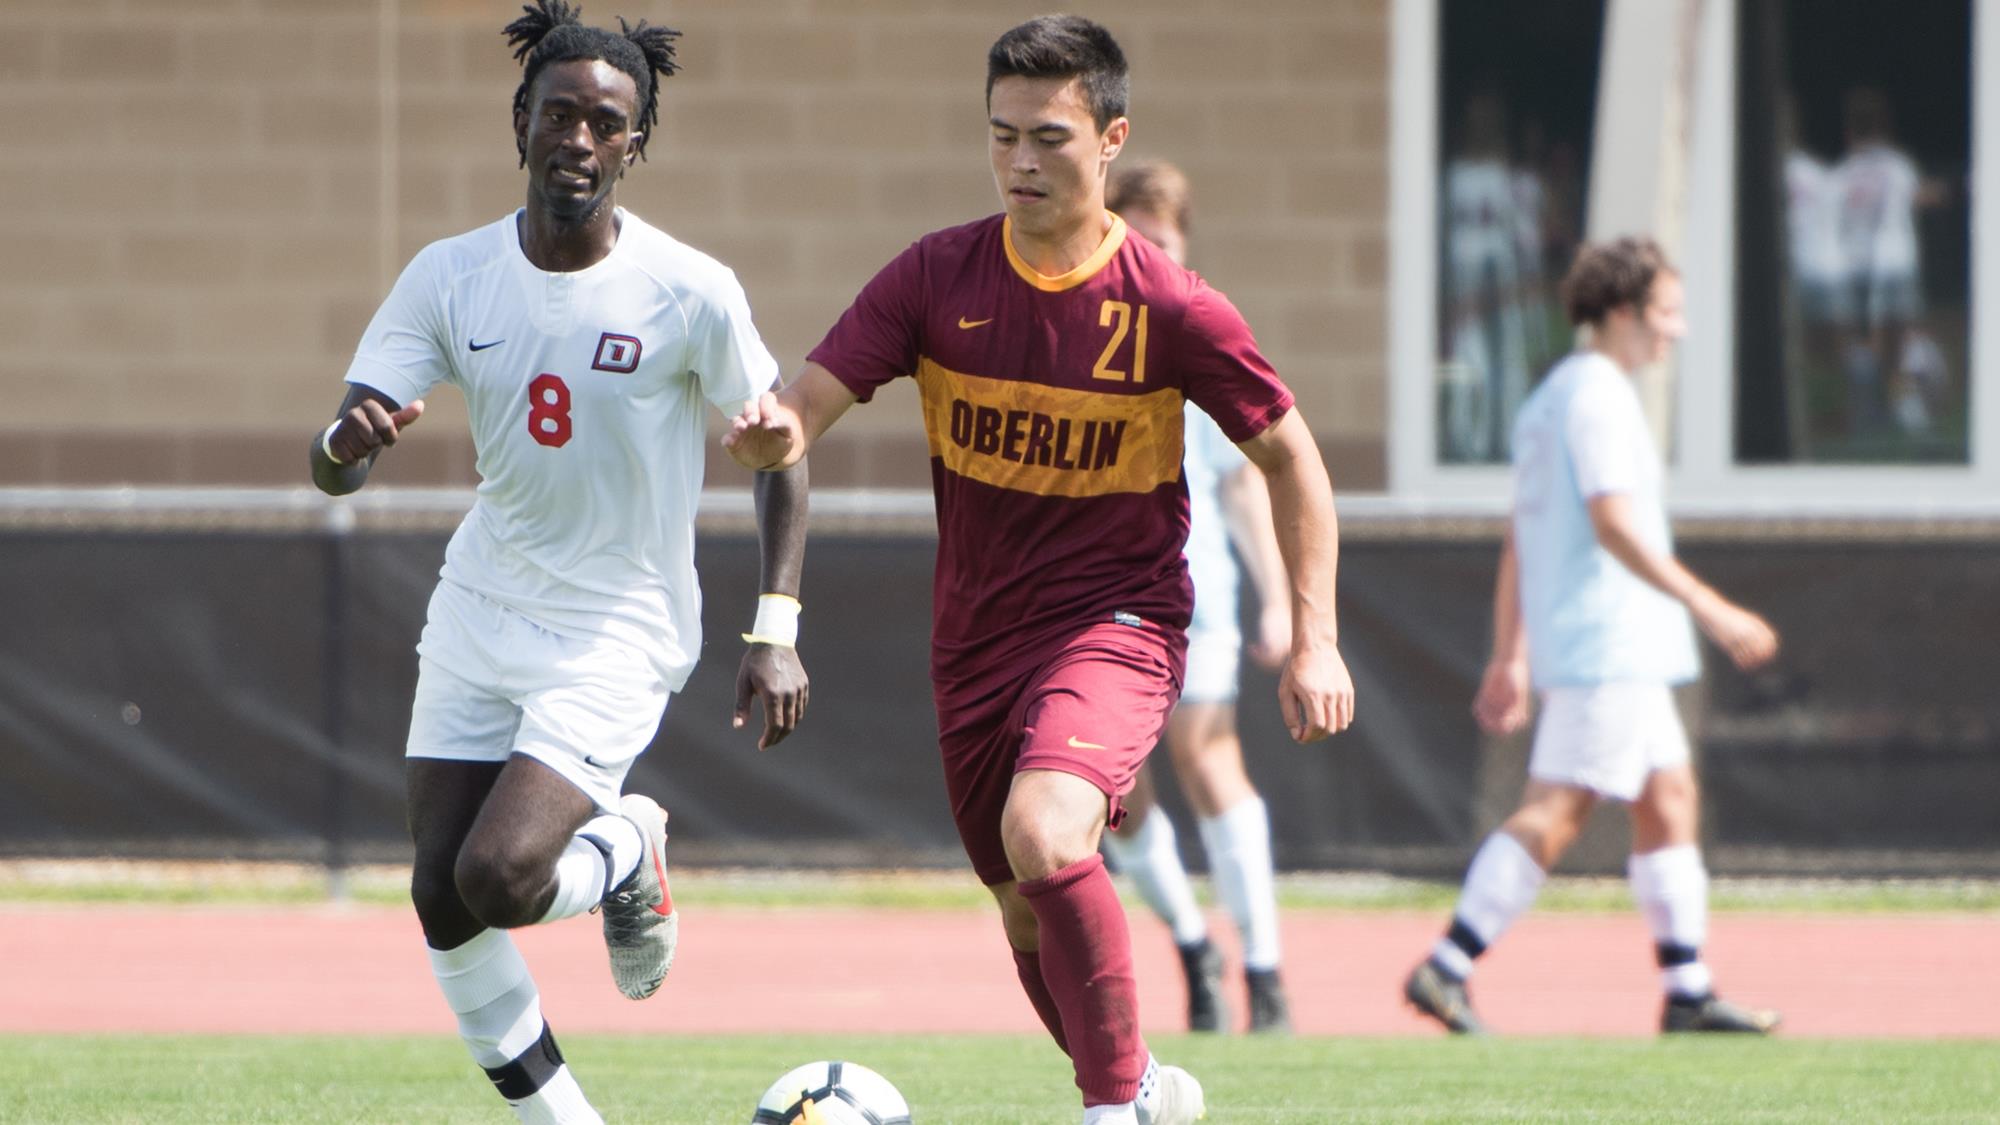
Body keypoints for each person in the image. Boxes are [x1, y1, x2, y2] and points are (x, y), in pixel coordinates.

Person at [723, 16, 1354, 1124]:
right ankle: (1141, 1087)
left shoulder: (1169, 306)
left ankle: (1111, 1112)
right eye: (1001, 136)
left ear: (1110, 139)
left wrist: (1314, 636)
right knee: (1024, 911)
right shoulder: (934, 275)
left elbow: (1292, 459)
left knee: (1047, 832)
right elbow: (807, 407)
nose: (1020, 160)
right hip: (973, 643)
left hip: (1119, 621)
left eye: (1049, 138)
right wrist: (776, 433)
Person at [307, 4, 809, 1121]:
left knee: (502, 877)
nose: (578, 138)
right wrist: (345, 447)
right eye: (559, 114)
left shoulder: (689, 289)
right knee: (441, 897)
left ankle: (628, 845)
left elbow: (783, 455)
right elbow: (332, 459)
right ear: (520, 122)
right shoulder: (449, 274)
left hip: (615, 628)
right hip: (483, 605)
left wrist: (772, 627)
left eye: (605, 122)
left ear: (636, 145)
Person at [1402, 236, 1782, 1038]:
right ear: (1622, 312)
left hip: (1615, 645)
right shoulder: (1597, 396)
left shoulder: (1559, 396)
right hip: (1608, 643)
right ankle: (1447, 965)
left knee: (1668, 796)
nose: (1675, 330)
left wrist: (1512, 651)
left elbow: (1522, 535)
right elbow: (1611, 523)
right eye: (1666, 313)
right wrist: (1712, 607)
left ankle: (1687, 989)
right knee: (1560, 809)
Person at [1098, 159, 1295, 1036]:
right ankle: (1190, 943)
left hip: (1192, 597)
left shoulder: (1195, 335)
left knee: (1211, 764)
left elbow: (1245, 484)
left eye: (1163, 240)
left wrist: (1280, 599)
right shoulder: (1079, 337)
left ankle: (1265, 967)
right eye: (1133, 236)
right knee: (1114, 789)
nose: (1148, 254)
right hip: (1093, 603)